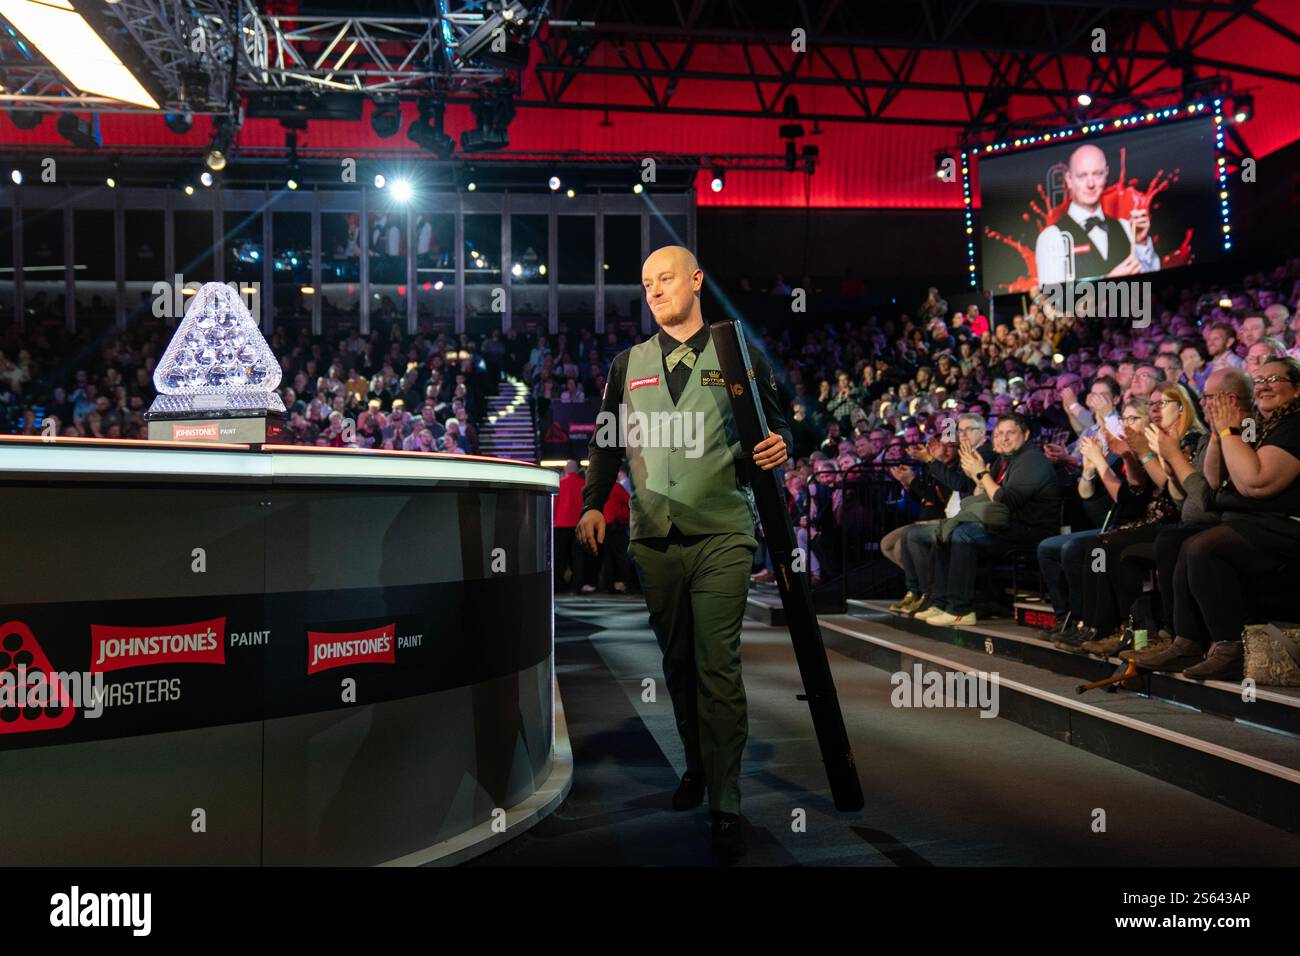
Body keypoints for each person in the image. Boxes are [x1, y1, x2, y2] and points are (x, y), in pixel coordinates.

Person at [576, 245, 791, 860]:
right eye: (646, 283)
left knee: (717, 665)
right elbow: (604, 443)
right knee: (677, 666)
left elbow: (784, 426)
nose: (654, 290)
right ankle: (696, 764)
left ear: (696, 280)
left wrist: (780, 446)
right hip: (652, 537)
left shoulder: (738, 353)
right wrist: (594, 502)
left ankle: (726, 798)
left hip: (723, 531)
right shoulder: (628, 364)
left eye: (665, 278)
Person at [916, 413, 1061, 625]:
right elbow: (981, 495)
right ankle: (941, 603)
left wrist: (982, 473)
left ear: (1026, 434)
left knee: (963, 534)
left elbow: (1005, 500)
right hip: (1006, 524)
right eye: (1000, 433)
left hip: (1032, 530)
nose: (1004, 438)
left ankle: (961, 610)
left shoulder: (1032, 460)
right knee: (947, 530)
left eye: (1011, 432)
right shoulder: (1006, 459)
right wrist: (977, 477)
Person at [1034, 143, 1159, 284]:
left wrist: (1141, 243)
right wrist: (1108, 283)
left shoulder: (1125, 227)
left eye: (1097, 174)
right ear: (1069, 180)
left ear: (1106, 174)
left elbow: (1150, 286)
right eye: (1082, 176)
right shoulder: (1051, 237)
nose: (1091, 184)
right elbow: (1053, 303)